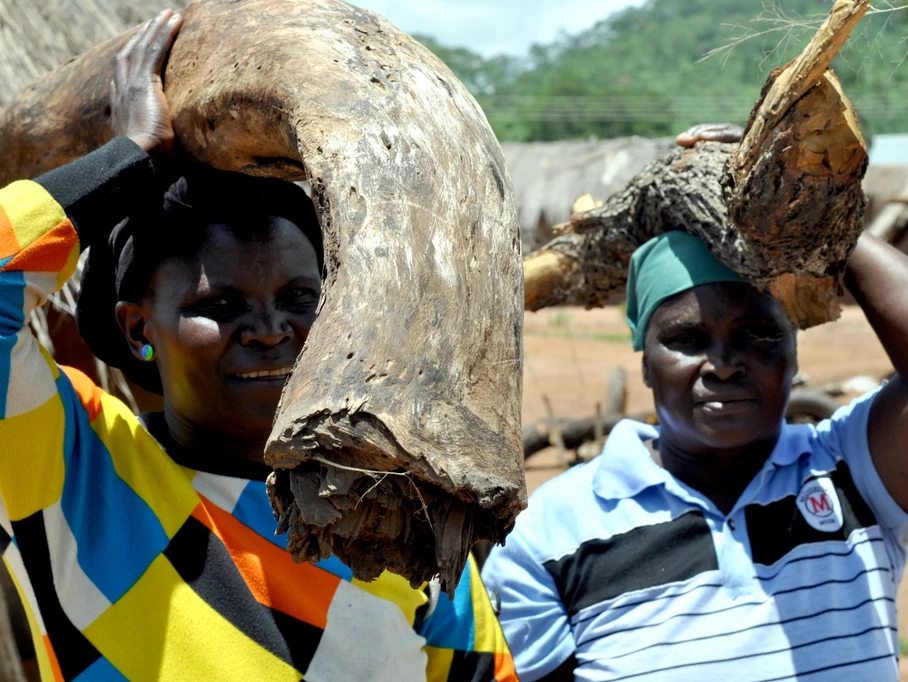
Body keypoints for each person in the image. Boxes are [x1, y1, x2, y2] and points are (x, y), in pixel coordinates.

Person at [0, 11, 515, 681]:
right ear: (137, 329)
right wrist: (129, 159)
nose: (270, 328)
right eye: (219, 304)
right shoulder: (77, 468)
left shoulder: (389, 501)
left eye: (300, 298)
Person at [482, 196, 908, 676]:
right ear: (646, 363)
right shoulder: (549, 532)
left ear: (793, 354)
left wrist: (814, 211)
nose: (724, 365)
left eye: (758, 334)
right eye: (687, 339)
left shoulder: (854, 470)